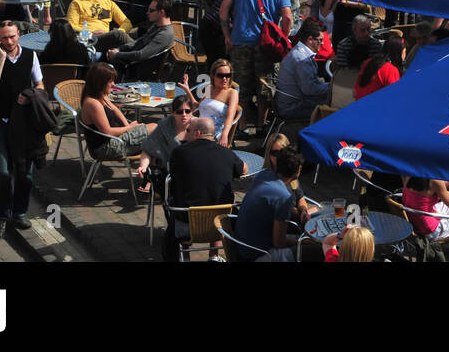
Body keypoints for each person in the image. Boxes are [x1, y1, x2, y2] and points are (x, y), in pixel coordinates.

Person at [0, 21, 43, 236]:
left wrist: (30, 97)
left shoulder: (31, 56)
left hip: (24, 124)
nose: (8, 42)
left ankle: (19, 212)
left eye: (12, 37)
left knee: (25, 175)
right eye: (3, 38)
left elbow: (40, 86)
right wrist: (1, 60)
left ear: (19, 35)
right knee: (2, 172)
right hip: (0, 121)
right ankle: (1, 215)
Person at [221, 0, 291, 132]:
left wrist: (227, 35)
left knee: (241, 85)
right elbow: (288, 17)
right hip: (265, 45)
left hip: (240, 40)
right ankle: (261, 125)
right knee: (264, 85)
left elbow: (223, 11)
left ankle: (241, 124)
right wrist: (282, 38)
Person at [164, 115, 245, 261]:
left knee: (180, 197)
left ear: (198, 133)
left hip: (188, 226)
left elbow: (174, 176)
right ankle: (214, 256)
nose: (186, 133)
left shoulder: (179, 153)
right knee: (215, 195)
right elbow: (244, 169)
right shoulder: (226, 152)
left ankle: (185, 256)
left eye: (189, 130)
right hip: (221, 225)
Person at [234, 146, 315, 261]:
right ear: (298, 170)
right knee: (315, 250)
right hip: (257, 255)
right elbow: (279, 242)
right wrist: (304, 242)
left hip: (241, 245)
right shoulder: (283, 198)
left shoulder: (264, 174)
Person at [79, 62, 157, 163]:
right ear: (100, 82)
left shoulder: (101, 95)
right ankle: (153, 168)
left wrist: (128, 125)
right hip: (106, 148)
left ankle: (151, 166)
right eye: (110, 81)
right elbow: (108, 131)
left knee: (157, 134)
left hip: (115, 139)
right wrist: (129, 128)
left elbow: (116, 110)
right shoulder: (93, 103)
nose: (113, 84)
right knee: (156, 130)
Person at [103, 0, 176, 79]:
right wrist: (119, 49)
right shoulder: (156, 26)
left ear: (162, 12)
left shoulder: (164, 34)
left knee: (104, 57)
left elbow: (140, 55)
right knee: (117, 36)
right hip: (135, 56)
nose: (147, 13)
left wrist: (117, 54)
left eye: (151, 11)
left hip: (139, 66)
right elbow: (140, 41)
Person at [274, 25, 330, 121]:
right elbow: (310, 90)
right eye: (320, 40)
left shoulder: (299, 52)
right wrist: (332, 87)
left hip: (290, 103)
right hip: (292, 108)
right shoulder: (301, 58)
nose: (322, 43)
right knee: (334, 107)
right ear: (310, 39)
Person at [402, 176, 449, 241]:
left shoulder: (411, 174)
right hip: (431, 230)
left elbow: (443, 193)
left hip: (418, 220)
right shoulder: (435, 180)